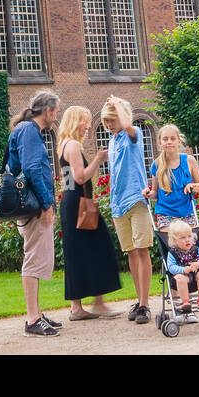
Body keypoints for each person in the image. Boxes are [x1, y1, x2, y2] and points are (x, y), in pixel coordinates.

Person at [55, 105, 122, 321]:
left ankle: (83, 305)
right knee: (99, 247)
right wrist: (98, 160)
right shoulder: (73, 145)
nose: (88, 126)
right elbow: (80, 177)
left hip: (71, 202)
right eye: (85, 121)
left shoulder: (63, 144)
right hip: (79, 204)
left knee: (78, 253)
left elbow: (68, 181)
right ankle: (94, 304)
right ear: (75, 122)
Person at [7, 90, 61, 336]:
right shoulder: (29, 131)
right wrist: (48, 204)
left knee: (36, 259)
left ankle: (36, 314)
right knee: (33, 260)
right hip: (34, 208)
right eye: (55, 111)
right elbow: (31, 168)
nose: (56, 116)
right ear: (48, 111)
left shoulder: (26, 130)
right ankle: (32, 319)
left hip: (31, 206)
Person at [103, 95, 152, 324]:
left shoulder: (135, 136)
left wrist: (119, 105)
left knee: (142, 250)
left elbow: (129, 125)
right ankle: (138, 300)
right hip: (118, 204)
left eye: (112, 121)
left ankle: (145, 304)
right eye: (107, 122)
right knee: (131, 252)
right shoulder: (112, 141)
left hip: (136, 200)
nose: (110, 126)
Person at [145, 124, 199, 250]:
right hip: (165, 212)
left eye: (172, 139)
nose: (169, 142)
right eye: (165, 139)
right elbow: (155, 192)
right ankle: (174, 268)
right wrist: (149, 194)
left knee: (189, 246)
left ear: (179, 140)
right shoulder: (156, 164)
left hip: (187, 211)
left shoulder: (189, 160)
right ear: (160, 142)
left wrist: (192, 185)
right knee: (173, 245)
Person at [163, 219, 199, 314]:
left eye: (189, 236)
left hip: (196, 275)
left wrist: (198, 264)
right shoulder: (172, 253)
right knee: (180, 278)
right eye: (183, 238)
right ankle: (185, 302)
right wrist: (183, 269)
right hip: (182, 277)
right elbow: (171, 267)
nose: (187, 240)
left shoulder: (196, 250)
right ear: (174, 241)